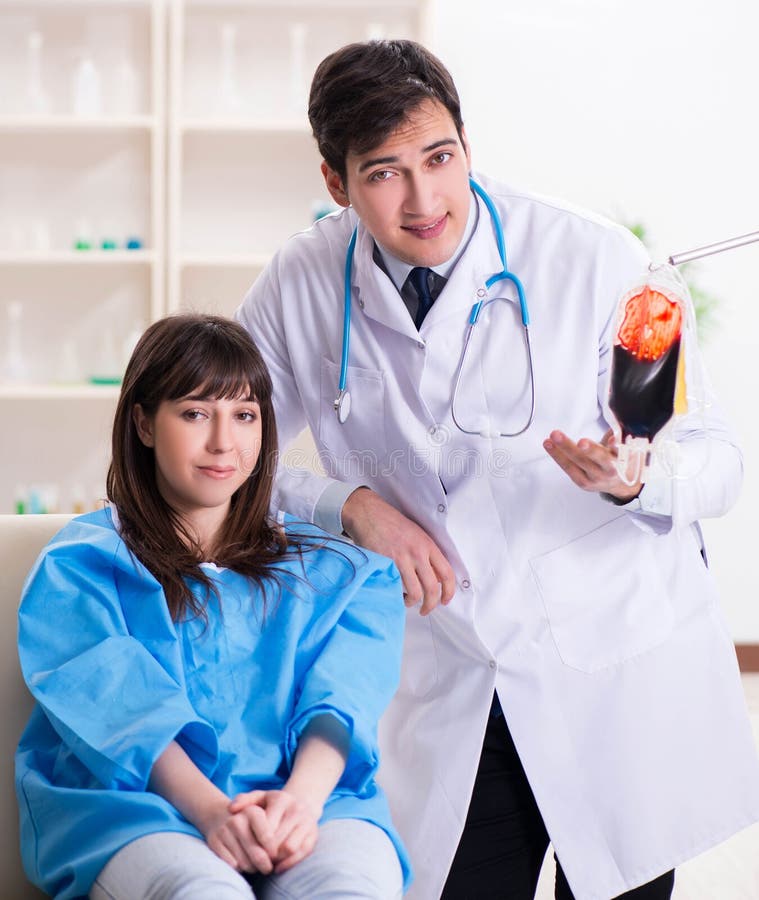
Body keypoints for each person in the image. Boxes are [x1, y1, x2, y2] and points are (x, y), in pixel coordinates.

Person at [234, 39, 759, 900]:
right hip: (447, 670)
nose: (424, 198)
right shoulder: (301, 281)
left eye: (440, 158)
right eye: (384, 172)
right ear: (336, 182)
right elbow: (220, 460)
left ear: (467, 144)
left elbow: (716, 460)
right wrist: (347, 505)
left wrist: (634, 477)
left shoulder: (595, 260)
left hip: (608, 669)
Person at [15, 314, 410, 900]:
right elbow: (123, 717)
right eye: (196, 413)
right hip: (139, 812)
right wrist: (212, 813)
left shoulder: (342, 572)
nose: (224, 442)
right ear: (145, 424)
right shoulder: (82, 568)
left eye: (244, 415)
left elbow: (342, 701)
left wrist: (299, 807)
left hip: (312, 806)